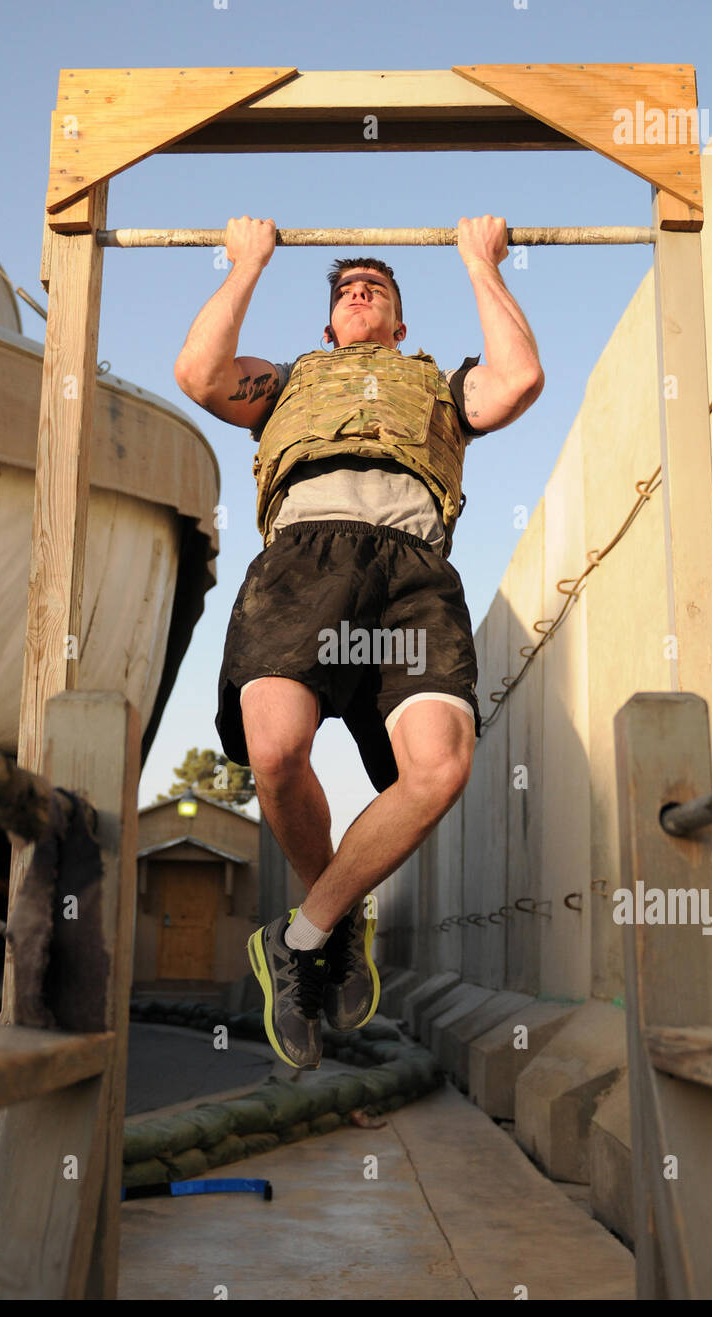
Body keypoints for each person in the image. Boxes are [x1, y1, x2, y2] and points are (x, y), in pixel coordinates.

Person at [174, 214, 544, 1070]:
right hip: (302, 561)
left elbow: (518, 377)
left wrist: (479, 261)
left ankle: (307, 931)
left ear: (401, 322)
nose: (358, 291)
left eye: (375, 286)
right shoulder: (289, 378)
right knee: (275, 752)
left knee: (439, 768)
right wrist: (248, 262)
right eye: (343, 289)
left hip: (412, 573)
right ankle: (331, 926)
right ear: (330, 323)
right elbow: (198, 372)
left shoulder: (443, 386)